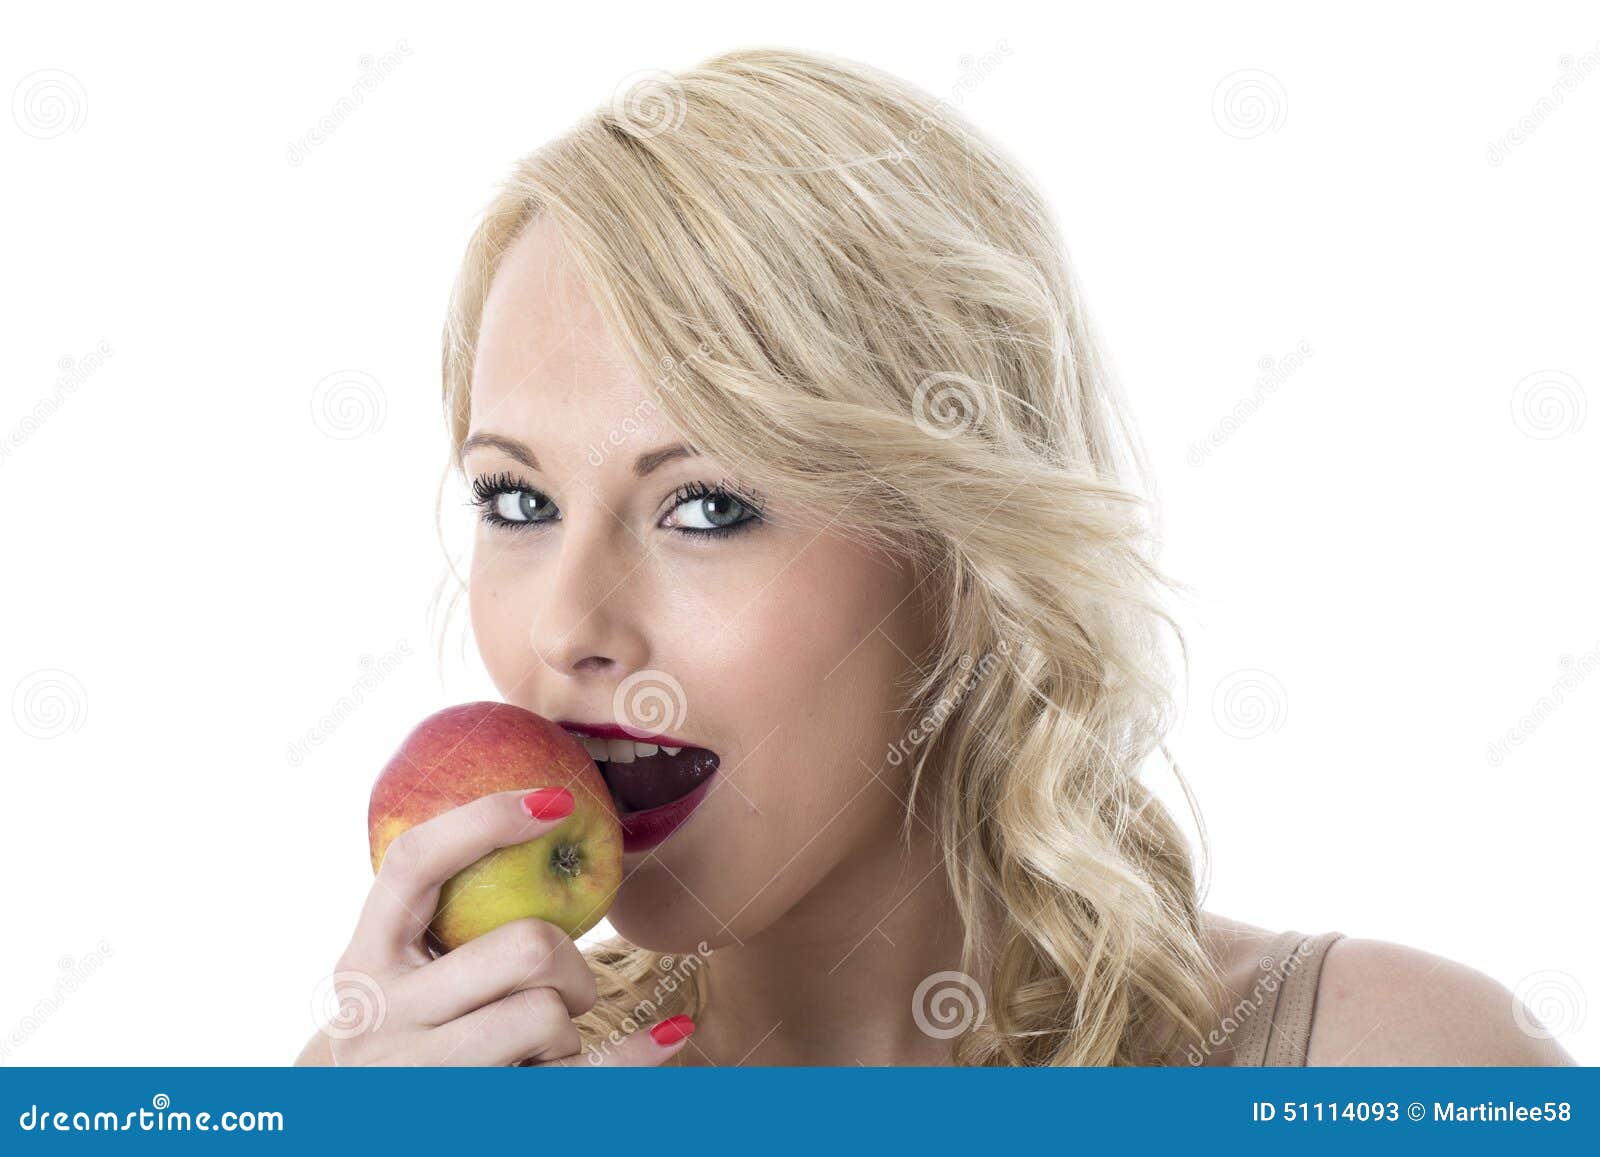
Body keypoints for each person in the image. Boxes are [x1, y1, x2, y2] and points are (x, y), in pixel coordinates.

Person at [297, 47, 1576, 1067]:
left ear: (961, 549)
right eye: (517, 502)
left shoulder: (1383, 1067)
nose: (567, 622)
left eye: (706, 508)